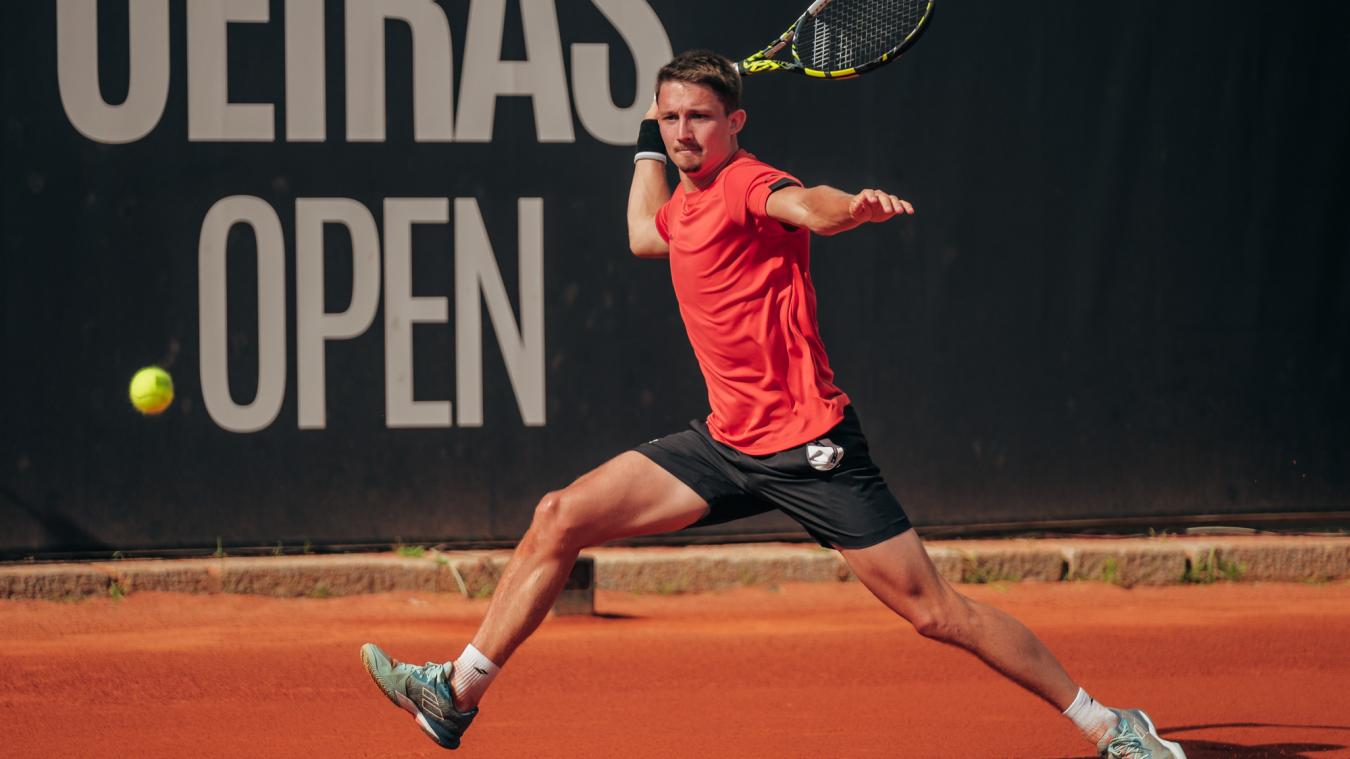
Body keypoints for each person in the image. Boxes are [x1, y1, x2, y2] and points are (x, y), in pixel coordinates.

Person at [360, 50, 1186, 759]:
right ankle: (457, 694)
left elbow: (807, 202)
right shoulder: (682, 201)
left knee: (937, 612)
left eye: (702, 118)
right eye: (674, 117)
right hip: (726, 444)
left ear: (736, 123)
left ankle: (1113, 724)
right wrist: (647, 136)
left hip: (812, 446)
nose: (687, 131)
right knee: (559, 515)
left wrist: (847, 209)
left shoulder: (750, 181)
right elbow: (645, 232)